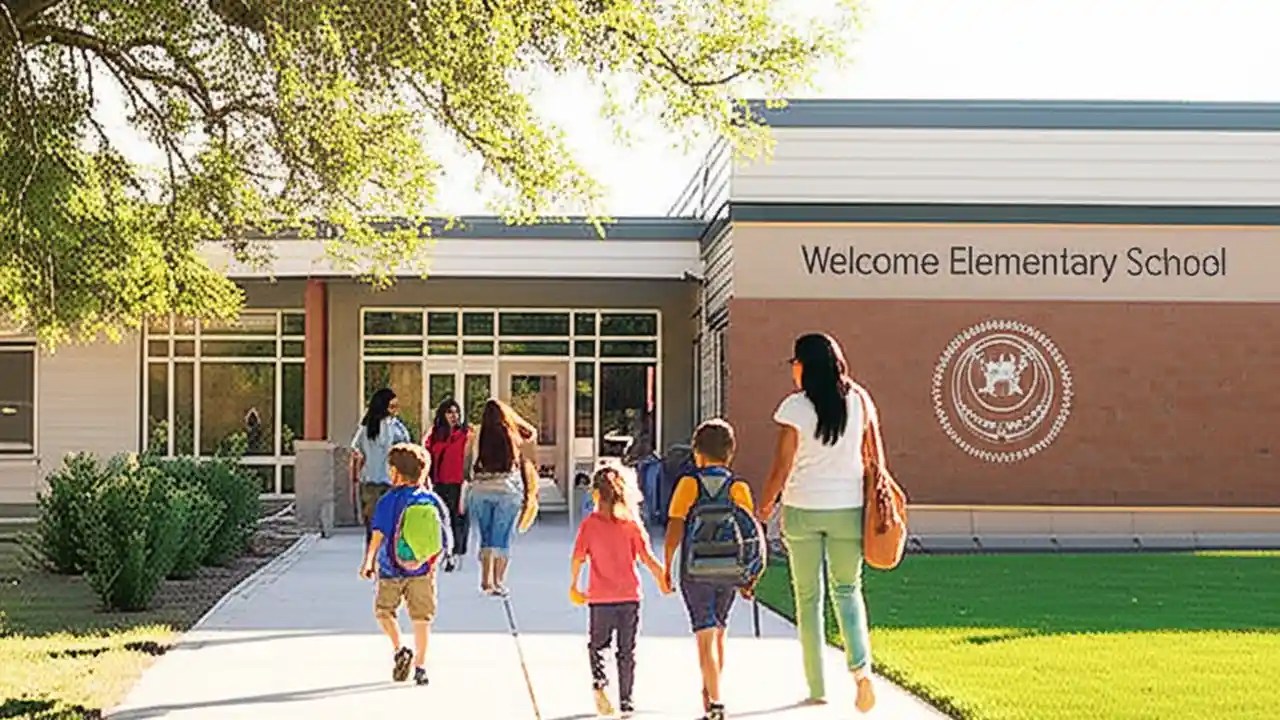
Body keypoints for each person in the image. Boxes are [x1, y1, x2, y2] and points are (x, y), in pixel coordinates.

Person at [757, 333, 880, 713]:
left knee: (808, 599)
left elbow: (781, 466)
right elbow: (873, 454)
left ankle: (817, 685)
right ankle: (861, 673)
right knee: (848, 591)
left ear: (805, 365)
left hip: (803, 510)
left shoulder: (794, 407)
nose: (792, 368)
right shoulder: (859, 400)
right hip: (848, 510)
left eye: (794, 361)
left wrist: (764, 507)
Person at [663, 419, 756, 720]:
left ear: (696, 453)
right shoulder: (739, 488)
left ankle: (715, 702)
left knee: (704, 632)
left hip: (696, 570)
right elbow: (749, 537)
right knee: (719, 631)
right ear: (731, 453)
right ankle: (712, 689)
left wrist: (667, 566)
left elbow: (675, 527)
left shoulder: (689, 485)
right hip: (729, 570)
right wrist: (749, 576)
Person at [569, 466, 671, 718]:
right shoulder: (631, 526)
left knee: (598, 646)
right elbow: (647, 558)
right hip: (629, 598)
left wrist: (574, 584)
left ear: (595, 495)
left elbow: (578, 558)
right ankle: (626, 701)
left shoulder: (589, 525)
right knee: (627, 651)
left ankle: (600, 682)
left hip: (600, 598)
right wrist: (662, 578)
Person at [358, 443, 452, 686]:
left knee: (384, 611)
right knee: (422, 618)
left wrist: (368, 561)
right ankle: (421, 667)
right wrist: (441, 557)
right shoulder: (431, 499)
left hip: (391, 568)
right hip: (423, 569)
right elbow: (444, 531)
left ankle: (400, 648)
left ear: (397, 473)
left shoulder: (389, 500)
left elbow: (378, 533)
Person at [464, 398, 537, 595]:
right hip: (507, 490)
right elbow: (531, 433)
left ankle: (485, 581)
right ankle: (498, 581)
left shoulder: (477, 434)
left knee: (486, 537)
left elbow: (466, 466)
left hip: (480, 489)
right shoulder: (511, 433)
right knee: (502, 539)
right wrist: (512, 418)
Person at [351, 388, 413, 547]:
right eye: (393, 407)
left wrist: (356, 476)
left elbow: (356, 452)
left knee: (372, 527)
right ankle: (387, 562)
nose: (396, 411)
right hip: (392, 483)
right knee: (392, 527)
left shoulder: (365, 428)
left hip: (369, 482)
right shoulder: (396, 427)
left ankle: (372, 561)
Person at [425, 398, 472, 572]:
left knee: (459, 518)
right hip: (440, 482)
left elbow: (470, 458)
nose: (454, 416)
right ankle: (446, 551)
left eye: (456, 412)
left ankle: (458, 552)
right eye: (450, 412)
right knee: (441, 519)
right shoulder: (434, 435)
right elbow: (427, 456)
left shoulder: (465, 434)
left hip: (459, 482)